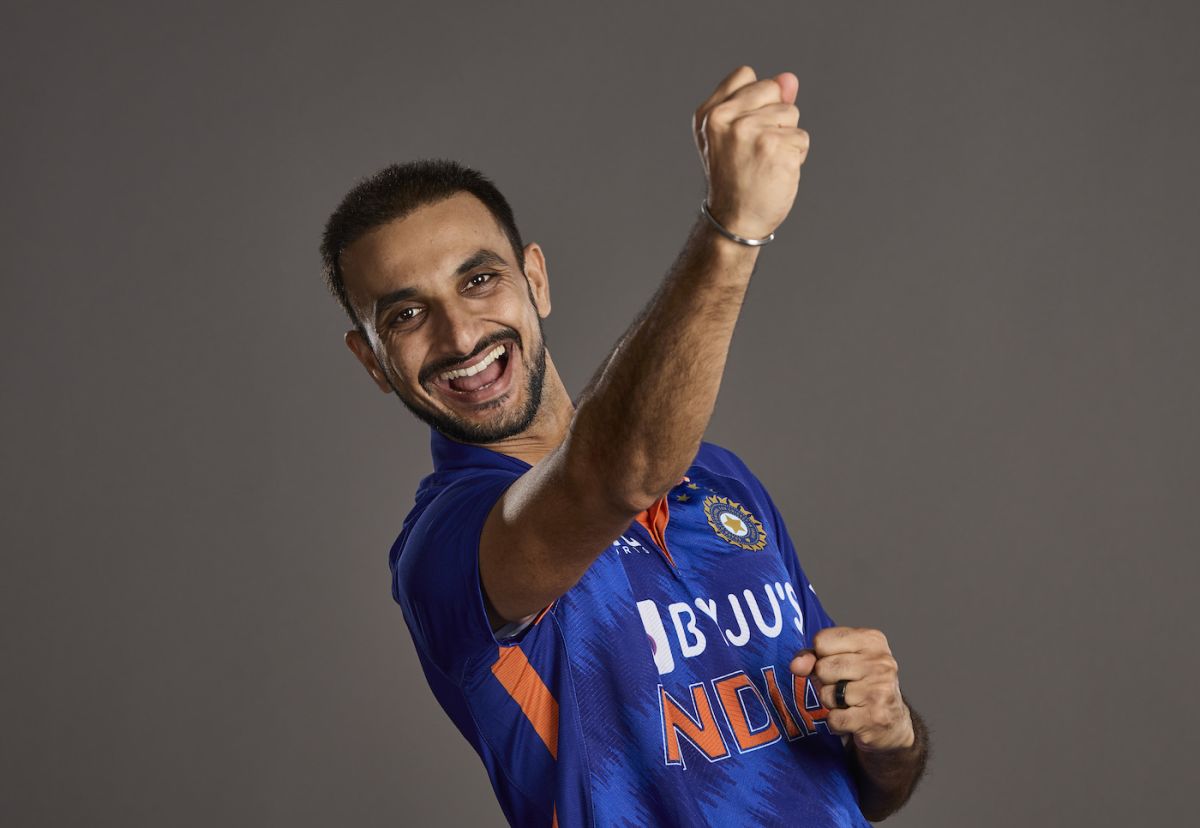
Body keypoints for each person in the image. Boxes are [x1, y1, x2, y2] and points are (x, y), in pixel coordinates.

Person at [320, 65, 929, 827]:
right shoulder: (445, 549)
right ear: (371, 360)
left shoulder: (720, 480)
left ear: (535, 280)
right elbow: (616, 476)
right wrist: (730, 230)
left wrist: (889, 732)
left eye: (479, 280)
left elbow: (871, 789)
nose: (461, 335)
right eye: (406, 316)